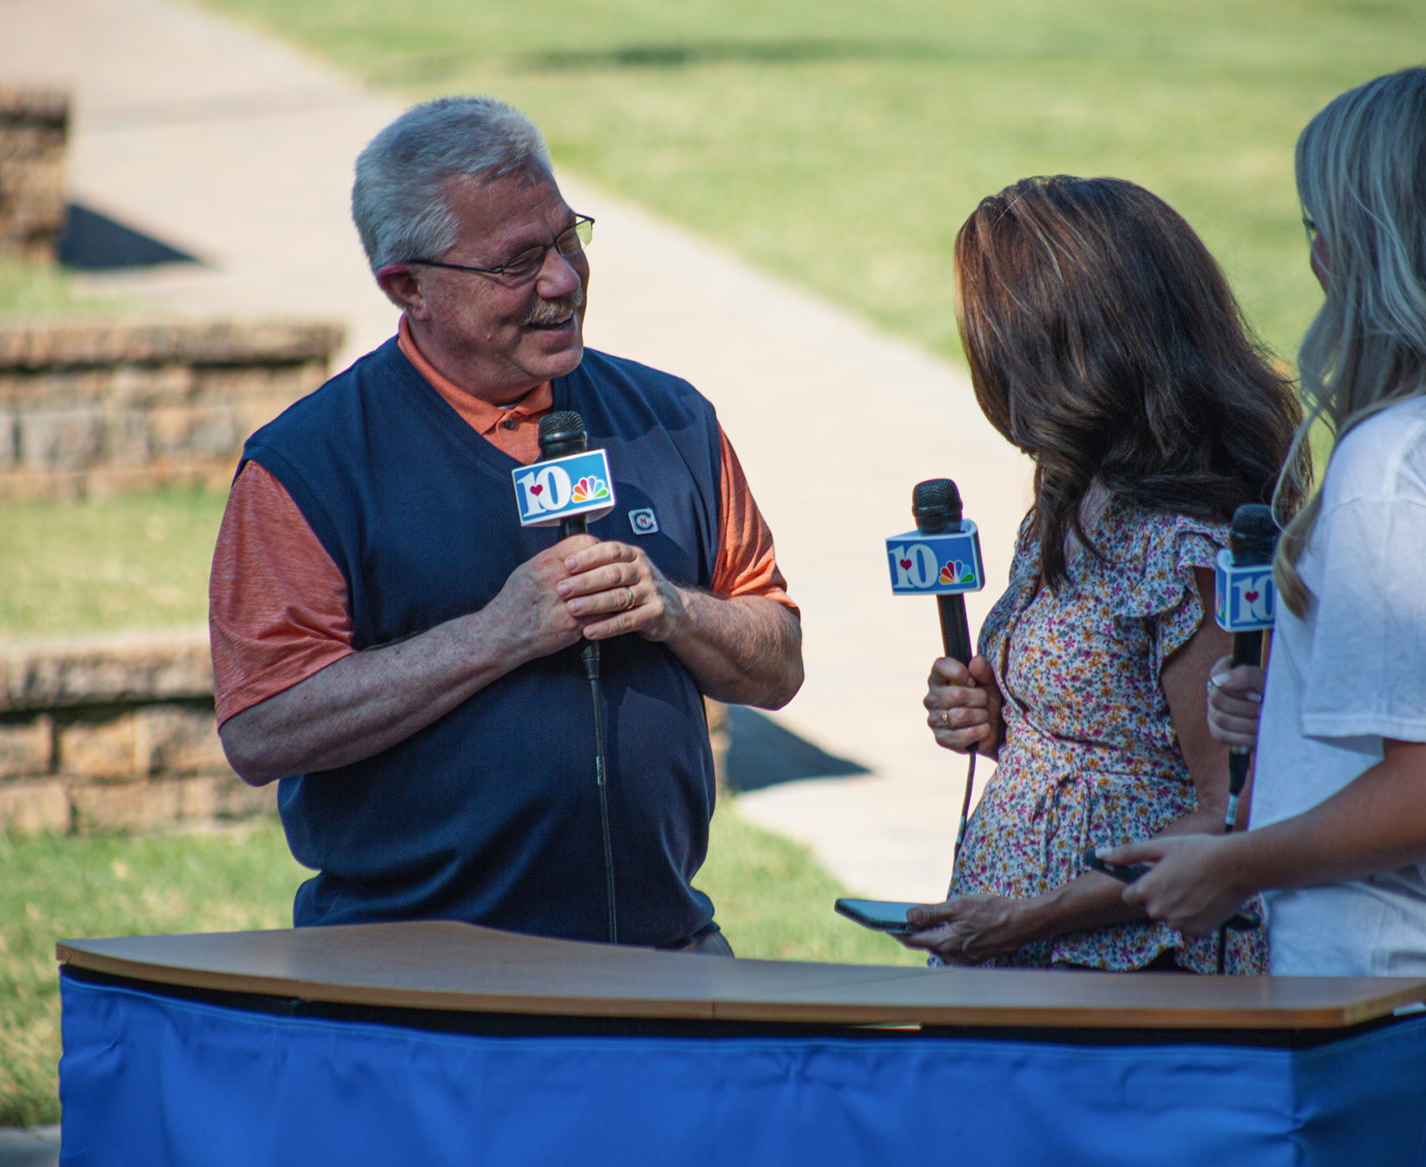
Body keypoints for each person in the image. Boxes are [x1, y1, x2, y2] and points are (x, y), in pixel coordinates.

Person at [1106, 66, 1426, 1163]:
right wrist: (1298, 714)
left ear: (1376, 249)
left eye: (1322, 226)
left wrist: (1228, 866)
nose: (1314, 256)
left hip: (1411, 1033)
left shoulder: (1397, 465)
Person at [208, 96, 803, 954]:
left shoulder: (672, 421)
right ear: (407, 287)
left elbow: (778, 662)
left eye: (566, 238)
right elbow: (264, 724)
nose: (562, 280)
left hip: (663, 954)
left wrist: (676, 609)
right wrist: (497, 636)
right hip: (418, 986)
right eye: (516, 263)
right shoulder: (309, 465)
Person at [906, 176, 1302, 970]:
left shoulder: (1191, 551)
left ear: (1064, 347)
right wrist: (1003, 721)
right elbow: (1111, 744)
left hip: (1128, 982)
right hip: (1026, 964)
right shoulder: (1070, 495)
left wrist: (1032, 916)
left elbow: (1230, 817)